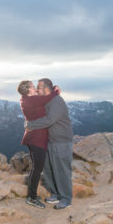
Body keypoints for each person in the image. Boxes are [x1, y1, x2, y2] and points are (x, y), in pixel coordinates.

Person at [24, 78, 74, 209]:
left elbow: (50, 120)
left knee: (62, 170)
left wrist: (31, 125)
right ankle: (55, 193)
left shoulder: (57, 101)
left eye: (38, 88)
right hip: (49, 140)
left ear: (46, 89)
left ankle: (66, 198)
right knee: (49, 169)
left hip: (61, 141)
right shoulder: (47, 99)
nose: (36, 90)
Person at [17, 80, 59, 209]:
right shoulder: (31, 100)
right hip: (36, 139)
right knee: (37, 169)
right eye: (33, 86)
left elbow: (42, 100)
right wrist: (56, 90)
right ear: (29, 90)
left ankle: (32, 195)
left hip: (34, 138)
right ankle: (32, 198)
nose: (35, 88)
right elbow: (50, 97)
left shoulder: (27, 99)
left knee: (37, 168)